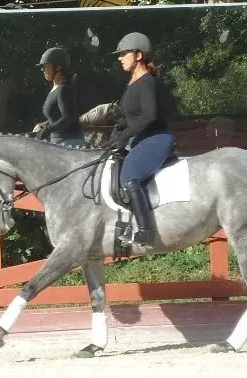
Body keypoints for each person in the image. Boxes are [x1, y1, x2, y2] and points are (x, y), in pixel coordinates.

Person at [108, 32, 175, 247]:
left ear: (138, 55)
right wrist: (115, 137)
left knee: (129, 176)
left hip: (156, 138)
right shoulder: (132, 83)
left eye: (124, 53)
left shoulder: (146, 82)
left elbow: (150, 115)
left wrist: (125, 136)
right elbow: (127, 118)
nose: (120, 58)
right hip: (141, 139)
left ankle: (146, 231)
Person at [33, 47, 84, 147]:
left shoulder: (63, 89)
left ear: (58, 67)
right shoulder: (56, 89)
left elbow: (68, 117)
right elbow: (57, 117)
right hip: (57, 140)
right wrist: (44, 125)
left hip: (68, 142)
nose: (42, 70)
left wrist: (47, 130)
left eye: (46, 66)